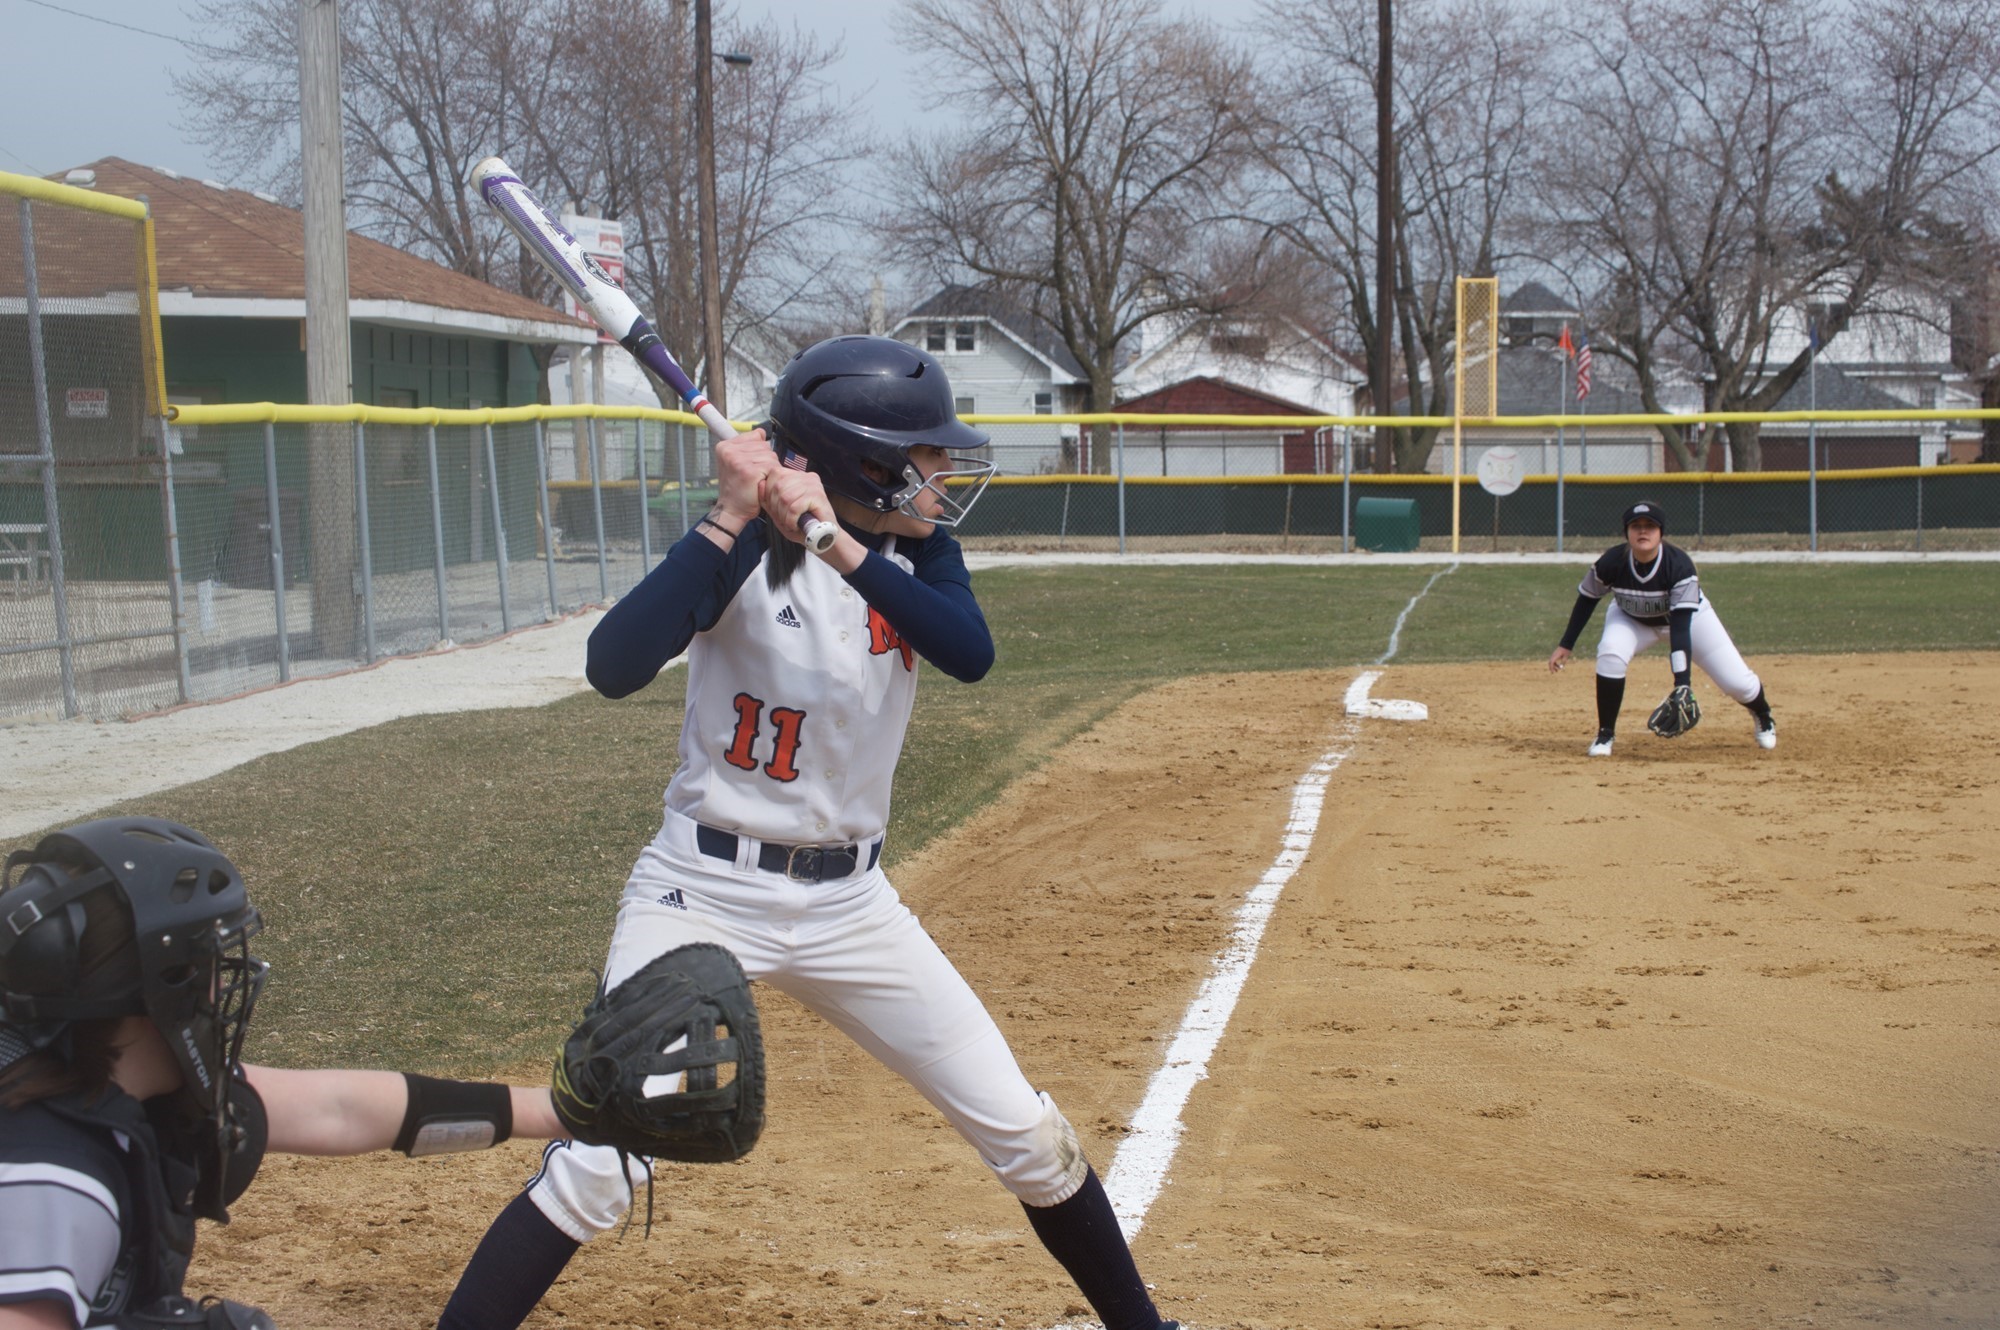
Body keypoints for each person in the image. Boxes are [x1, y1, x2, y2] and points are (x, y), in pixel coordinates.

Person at [437, 335, 1184, 1330]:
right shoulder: (741, 546)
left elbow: (968, 652)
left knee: (1024, 1130)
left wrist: (835, 538)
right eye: (921, 458)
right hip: (700, 890)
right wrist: (733, 513)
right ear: (859, 460)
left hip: (850, 904)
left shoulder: (920, 552)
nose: (941, 475)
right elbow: (612, 664)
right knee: (601, 1168)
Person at [0, 816, 567, 1330]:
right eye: (208, 964)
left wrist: (557, 1113)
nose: (221, 986)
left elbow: (337, 1108)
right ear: (153, 994)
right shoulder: (52, 1171)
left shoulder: (100, 1082)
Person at [1547, 499, 1777, 756]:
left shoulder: (1679, 566)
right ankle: (1605, 736)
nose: (1643, 531)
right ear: (1627, 532)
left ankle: (1762, 713)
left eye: (1650, 526)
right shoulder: (1612, 562)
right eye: (1636, 526)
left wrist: (1682, 683)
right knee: (1611, 652)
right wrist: (1566, 644)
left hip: (1690, 620)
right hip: (1631, 618)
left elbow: (1679, 629)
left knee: (1738, 684)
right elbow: (1587, 599)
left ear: (1661, 533)